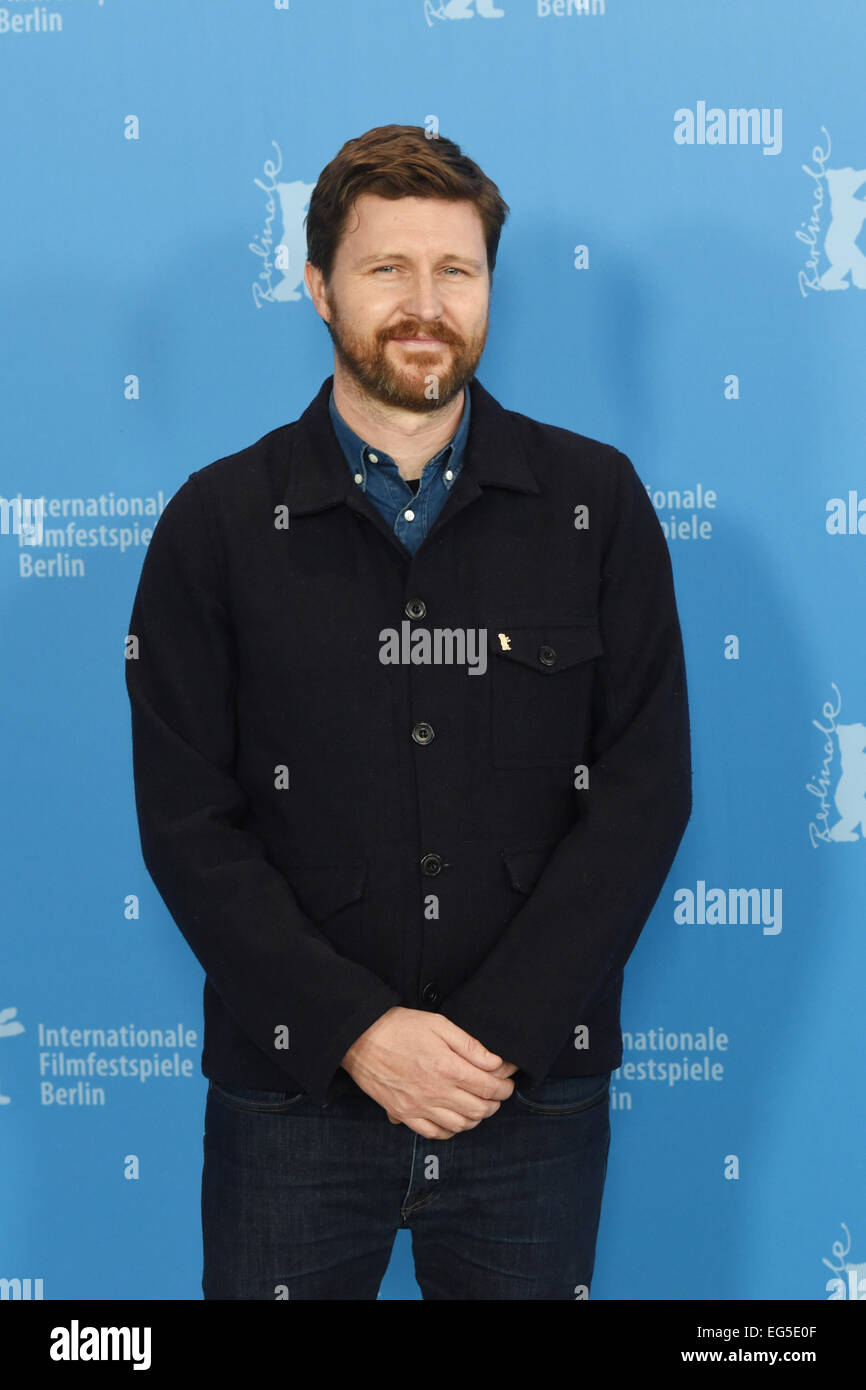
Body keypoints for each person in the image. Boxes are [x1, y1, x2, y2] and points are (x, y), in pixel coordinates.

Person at [125, 123, 692, 1300]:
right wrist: (358, 1031)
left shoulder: (596, 505)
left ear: (490, 289)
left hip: (527, 1100)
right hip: (290, 1105)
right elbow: (188, 823)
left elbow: (643, 793)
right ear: (317, 284)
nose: (424, 304)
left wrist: (493, 1039)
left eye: (456, 271)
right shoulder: (216, 526)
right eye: (386, 269)